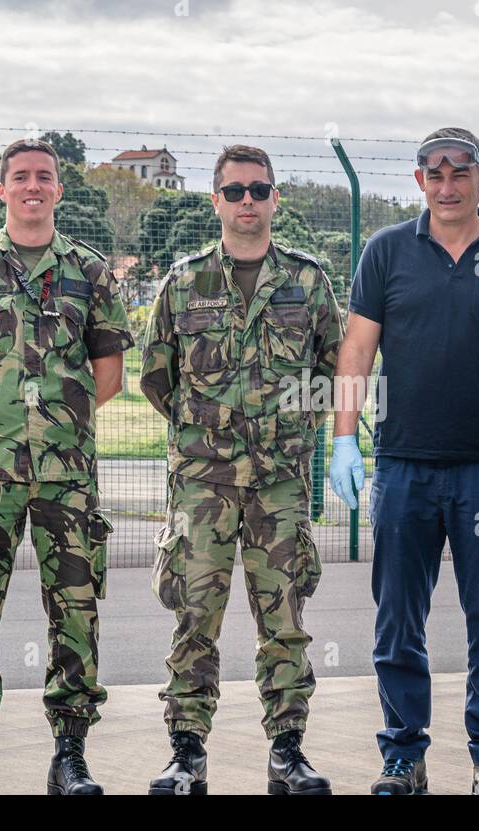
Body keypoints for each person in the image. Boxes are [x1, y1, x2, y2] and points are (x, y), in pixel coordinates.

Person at [330, 127, 479, 796]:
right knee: (397, 622)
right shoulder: (387, 251)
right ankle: (403, 755)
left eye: (461, 171)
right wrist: (342, 439)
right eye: (435, 172)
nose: (448, 184)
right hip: (403, 467)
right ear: (419, 180)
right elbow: (356, 351)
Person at [0, 138, 133, 795]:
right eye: (20, 177)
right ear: (2, 189)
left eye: (44, 176)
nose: (32, 186)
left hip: (68, 476)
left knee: (76, 611)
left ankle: (70, 754)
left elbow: (110, 374)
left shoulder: (90, 271)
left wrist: (56, 428)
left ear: (58, 190)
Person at [140, 144, 343, 796]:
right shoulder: (184, 283)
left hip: (280, 484)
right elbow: (157, 377)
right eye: (234, 191)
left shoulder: (308, 282)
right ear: (216, 201)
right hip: (203, 484)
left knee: (284, 621)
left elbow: (333, 371)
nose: (247, 201)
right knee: (194, 618)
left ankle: (287, 749)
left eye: (258, 190)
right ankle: (186, 752)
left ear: (275, 198)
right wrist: (211, 436)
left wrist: (289, 432)